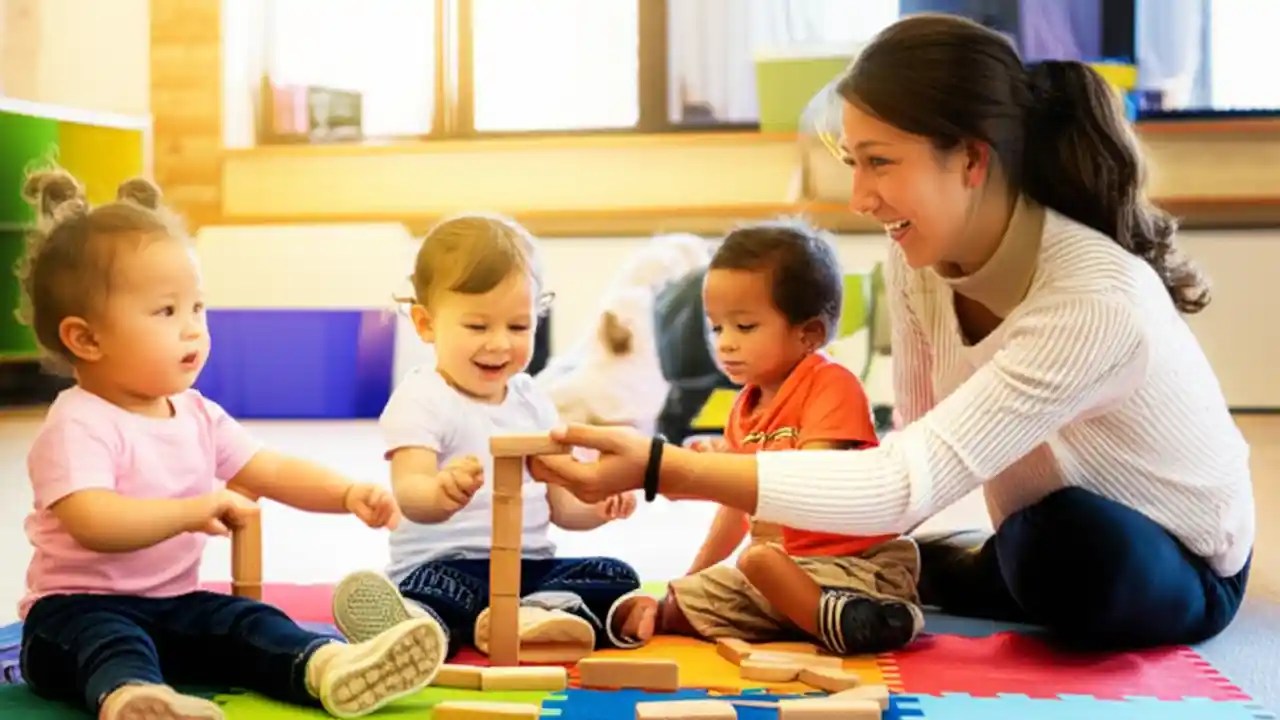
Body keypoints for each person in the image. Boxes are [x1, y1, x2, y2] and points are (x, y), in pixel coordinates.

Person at [528, 13, 1253, 651]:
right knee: (957, 540)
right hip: (1035, 528)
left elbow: (908, 481)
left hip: (1182, 560)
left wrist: (660, 468)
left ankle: (979, 570)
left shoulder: (1096, 300)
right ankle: (959, 569)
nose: (859, 197)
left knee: (1058, 543)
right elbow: (912, 439)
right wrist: (830, 551)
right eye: (854, 162)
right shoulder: (921, 258)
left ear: (971, 159)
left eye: (879, 162)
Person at [15, 169, 447, 720]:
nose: (194, 328)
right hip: (70, 615)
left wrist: (345, 493)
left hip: (174, 607)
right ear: (87, 338)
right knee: (111, 642)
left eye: (198, 308)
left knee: (247, 622)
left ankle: (327, 666)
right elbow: (93, 521)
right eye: (166, 311)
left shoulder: (197, 413)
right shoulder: (79, 423)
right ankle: (131, 699)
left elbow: (269, 467)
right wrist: (191, 511)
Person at [329, 214, 654, 663]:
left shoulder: (534, 401)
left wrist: (597, 506)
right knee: (435, 594)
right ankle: (410, 628)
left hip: (529, 568)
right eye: (478, 327)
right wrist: (442, 493)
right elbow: (411, 495)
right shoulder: (421, 398)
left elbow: (562, 505)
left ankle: (539, 615)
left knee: (613, 572)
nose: (500, 343)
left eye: (519, 327)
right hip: (446, 565)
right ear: (425, 324)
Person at [642, 220, 925, 655]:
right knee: (686, 603)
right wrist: (689, 579)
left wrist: (722, 467)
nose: (725, 344)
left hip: (856, 565)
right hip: (779, 572)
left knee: (759, 562)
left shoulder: (831, 384)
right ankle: (823, 620)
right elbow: (735, 510)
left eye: (745, 327)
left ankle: (858, 615)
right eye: (717, 328)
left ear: (808, 333)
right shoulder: (743, 407)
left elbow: (812, 477)